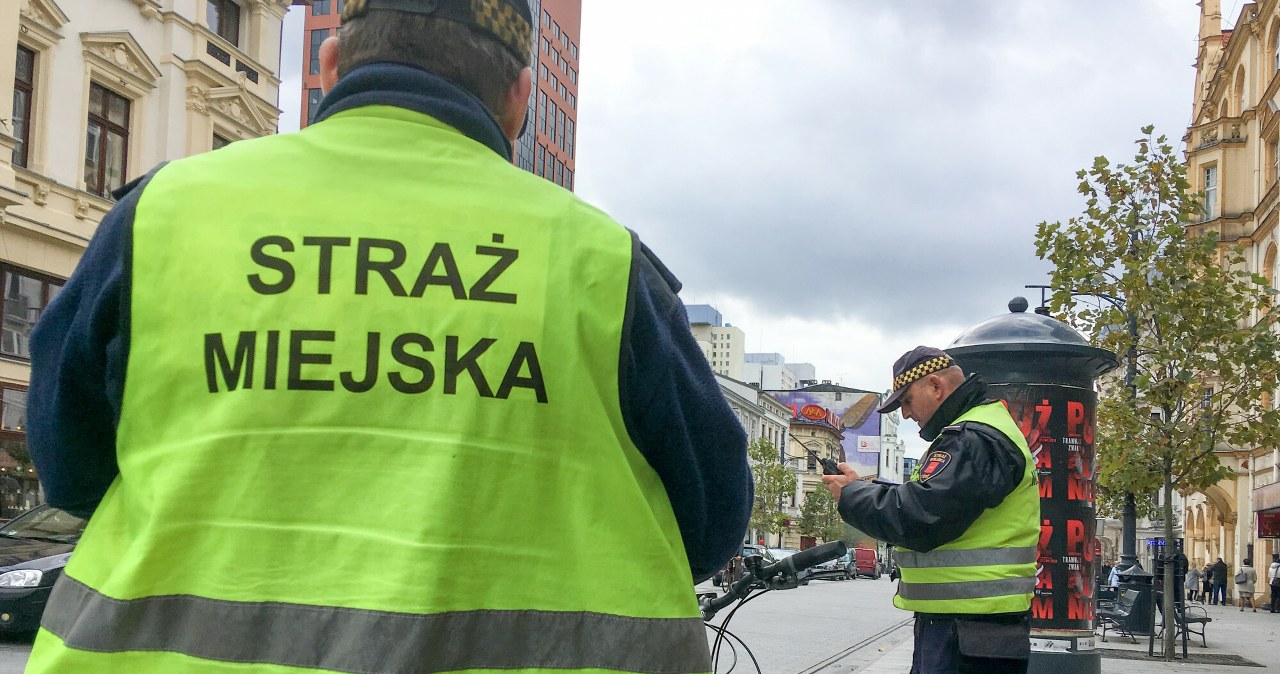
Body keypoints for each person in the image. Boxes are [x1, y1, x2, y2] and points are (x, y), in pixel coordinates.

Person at [22, 2, 754, 671]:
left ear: (330, 64)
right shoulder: (601, 263)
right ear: (520, 99)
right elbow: (711, 519)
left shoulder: (164, 215)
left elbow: (73, 471)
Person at [823, 347, 1039, 674]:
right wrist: (862, 488)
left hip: (968, 629)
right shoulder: (976, 431)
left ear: (936, 386)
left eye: (907, 401)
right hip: (973, 626)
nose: (906, 414)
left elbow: (922, 517)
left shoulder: (971, 438)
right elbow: (935, 501)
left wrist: (852, 495)